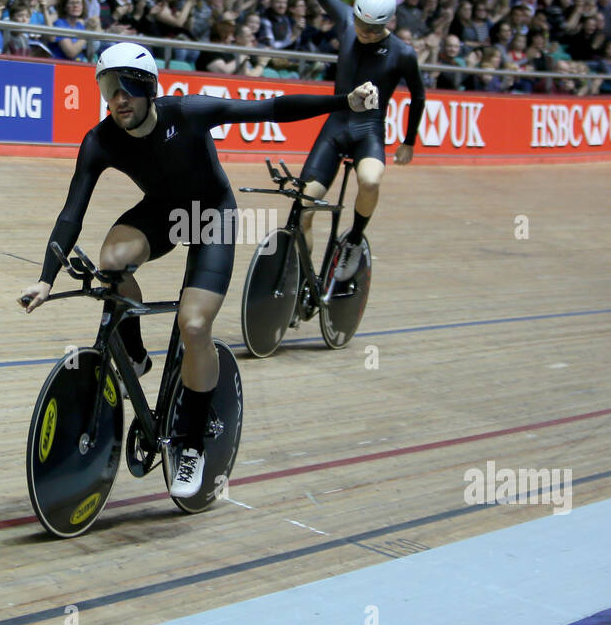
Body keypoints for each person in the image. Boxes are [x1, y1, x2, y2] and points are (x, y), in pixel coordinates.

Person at [19, 42, 379, 498]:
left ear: (149, 88)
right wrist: (46, 277)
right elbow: (73, 211)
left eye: (127, 86)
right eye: (109, 88)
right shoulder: (100, 140)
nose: (118, 98)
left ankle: (190, 444)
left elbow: (269, 108)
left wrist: (342, 102)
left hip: (211, 215)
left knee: (193, 326)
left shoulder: (187, 113)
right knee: (110, 263)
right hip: (163, 212)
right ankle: (133, 356)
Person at [300, 0, 426, 279]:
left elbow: (419, 95)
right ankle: (303, 280)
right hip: (336, 125)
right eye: (361, 26)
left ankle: (354, 239)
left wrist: (409, 141)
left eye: (374, 29)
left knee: (369, 179)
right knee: (302, 209)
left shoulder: (403, 53)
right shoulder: (345, 21)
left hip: (368, 130)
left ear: (389, 23)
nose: (365, 33)